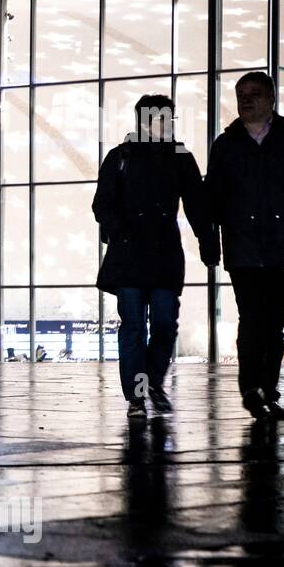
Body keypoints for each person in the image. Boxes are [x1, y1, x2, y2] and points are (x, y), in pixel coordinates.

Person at [206, 71, 284, 420]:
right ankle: (252, 389)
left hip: (282, 247)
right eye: (241, 94)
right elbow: (213, 196)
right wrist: (211, 239)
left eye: (254, 94)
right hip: (242, 246)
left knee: (272, 323)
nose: (246, 99)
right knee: (252, 319)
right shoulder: (226, 145)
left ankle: (266, 389)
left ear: (271, 99)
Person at [93, 94, 217, 419]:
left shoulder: (171, 157)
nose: (162, 123)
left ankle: (146, 386)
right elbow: (102, 204)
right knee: (140, 324)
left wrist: (207, 240)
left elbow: (196, 204)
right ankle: (141, 392)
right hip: (143, 253)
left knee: (158, 324)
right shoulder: (126, 156)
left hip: (145, 254)